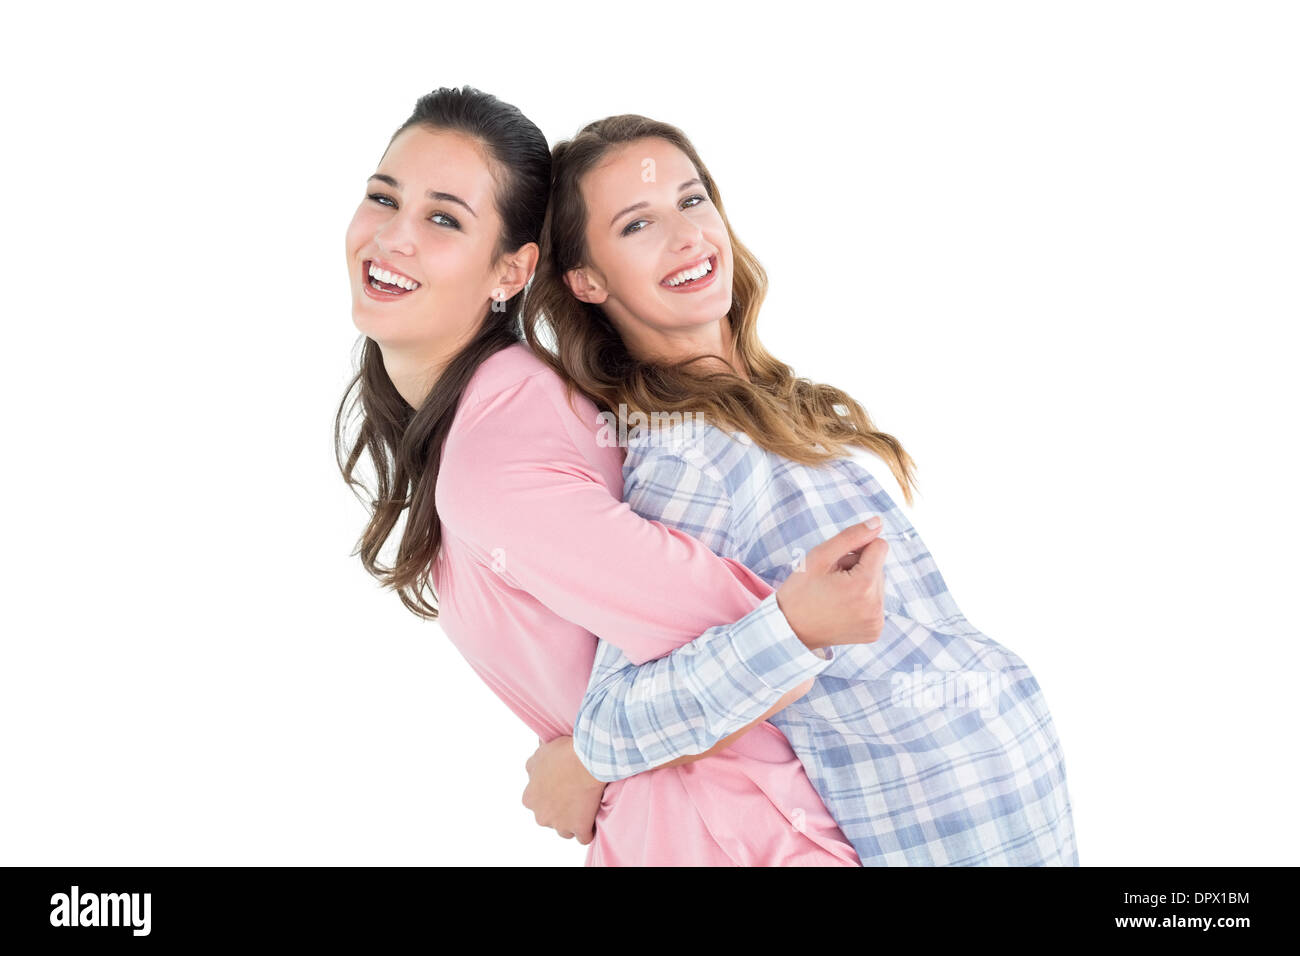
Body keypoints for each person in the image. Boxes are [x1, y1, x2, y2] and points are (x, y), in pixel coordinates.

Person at [338, 86, 892, 865]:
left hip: (738, 836)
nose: (392, 237)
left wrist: (589, 759)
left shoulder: (498, 449)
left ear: (512, 270)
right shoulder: (492, 412)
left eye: (443, 218)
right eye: (382, 198)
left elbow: (756, 632)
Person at [518, 114, 1079, 866]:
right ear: (587, 281)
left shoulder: (776, 404)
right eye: (637, 224)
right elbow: (618, 717)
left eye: (692, 201)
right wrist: (795, 627)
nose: (685, 236)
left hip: (1008, 808)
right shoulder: (683, 455)